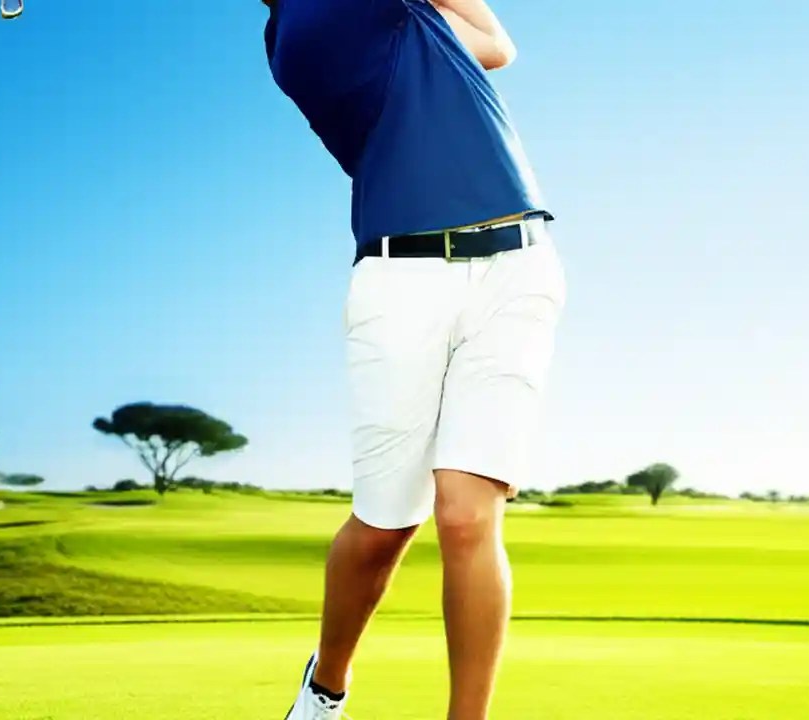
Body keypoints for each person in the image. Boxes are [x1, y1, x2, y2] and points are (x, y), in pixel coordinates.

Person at [262, 1, 565, 718]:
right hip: (402, 284)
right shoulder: (302, 31)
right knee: (385, 526)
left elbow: (495, 44)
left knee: (467, 514)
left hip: (519, 266)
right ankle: (325, 687)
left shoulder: (402, 20)